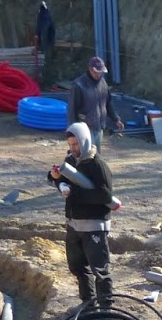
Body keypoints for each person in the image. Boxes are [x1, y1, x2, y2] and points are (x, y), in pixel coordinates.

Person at [47, 121, 119, 307]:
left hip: (94, 226)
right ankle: (88, 304)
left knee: (99, 269)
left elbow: (104, 195)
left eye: (76, 144)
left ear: (85, 141)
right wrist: (56, 179)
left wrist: (74, 193)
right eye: (70, 144)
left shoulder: (98, 165)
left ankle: (106, 307)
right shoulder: (71, 161)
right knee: (78, 267)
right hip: (74, 224)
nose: (73, 148)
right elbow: (58, 178)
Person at [67, 56, 122, 151]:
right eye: (96, 72)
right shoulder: (78, 85)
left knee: (96, 155)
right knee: (87, 154)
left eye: (100, 72)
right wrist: (74, 131)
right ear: (90, 69)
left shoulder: (103, 83)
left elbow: (108, 103)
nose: (98, 74)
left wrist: (116, 119)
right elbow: (72, 109)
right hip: (84, 128)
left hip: (99, 127)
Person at [34, 2, 55, 78]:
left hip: (45, 41)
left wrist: (37, 35)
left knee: (45, 59)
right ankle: (48, 73)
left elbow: (39, 28)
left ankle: (46, 74)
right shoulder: (49, 15)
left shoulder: (41, 16)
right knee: (48, 58)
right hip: (50, 40)